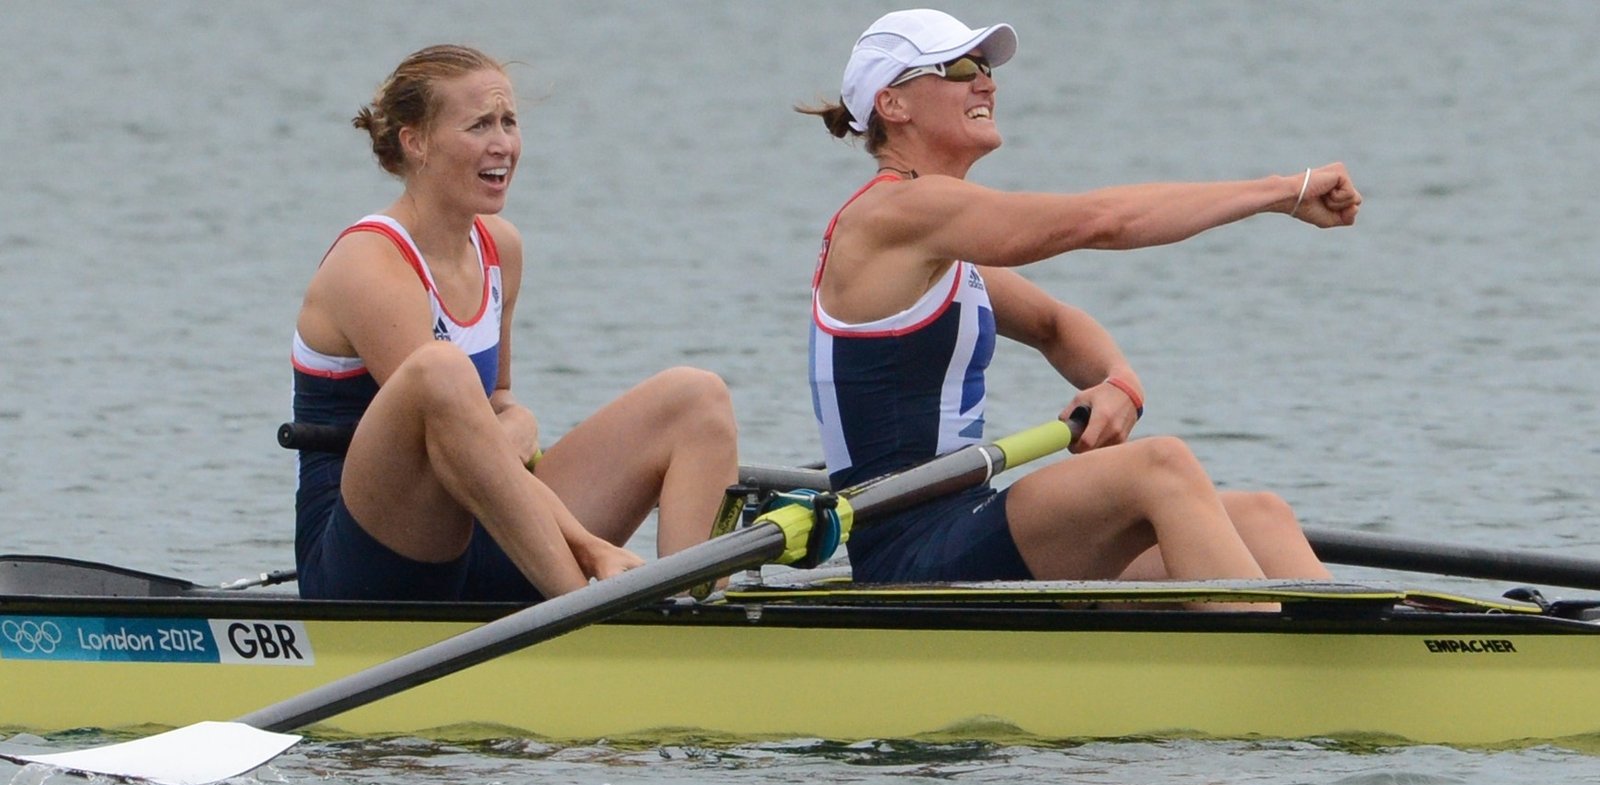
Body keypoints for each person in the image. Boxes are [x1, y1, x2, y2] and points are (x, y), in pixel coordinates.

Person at [799, 10, 1361, 586]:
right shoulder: (894, 215)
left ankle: (1350, 662)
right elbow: (1102, 221)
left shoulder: (936, 246)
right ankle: (1257, 658)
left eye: (987, 68)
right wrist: (1282, 192)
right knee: (1158, 467)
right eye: (961, 67)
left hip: (960, 518)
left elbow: (1055, 325)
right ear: (893, 104)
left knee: (1260, 518)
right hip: (905, 550)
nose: (986, 82)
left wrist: (1117, 378)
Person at [292, 45, 738, 601]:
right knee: (440, 371)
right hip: (365, 559)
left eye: (509, 122)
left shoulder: (500, 247)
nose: (502, 143)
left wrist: (516, 417)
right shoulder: (370, 264)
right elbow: (451, 406)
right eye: (479, 125)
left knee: (696, 398)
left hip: (483, 522)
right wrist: (588, 544)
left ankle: (701, 615)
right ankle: (585, 613)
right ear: (416, 141)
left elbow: (496, 401)